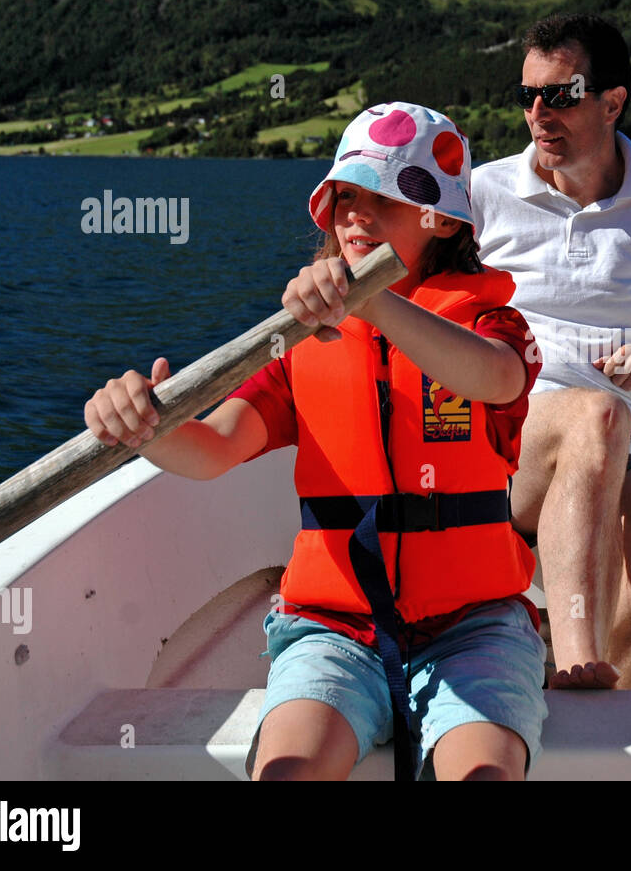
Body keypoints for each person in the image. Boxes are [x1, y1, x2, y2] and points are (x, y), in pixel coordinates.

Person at [83, 102, 547, 781]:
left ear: (442, 219)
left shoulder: (492, 326)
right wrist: (145, 427)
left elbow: (499, 379)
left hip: (473, 629)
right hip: (333, 630)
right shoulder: (299, 345)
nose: (357, 216)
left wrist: (372, 301)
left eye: (386, 200)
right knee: (286, 774)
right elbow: (213, 449)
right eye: (345, 198)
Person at [472, 14, 631, 689]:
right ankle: (579, 667)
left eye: (558, 94)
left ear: (612, 102)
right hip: (509, 430)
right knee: (594, 416)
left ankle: (618, 701)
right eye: (526, 95)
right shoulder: (481, 194)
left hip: (628, 429)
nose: (536, 113)